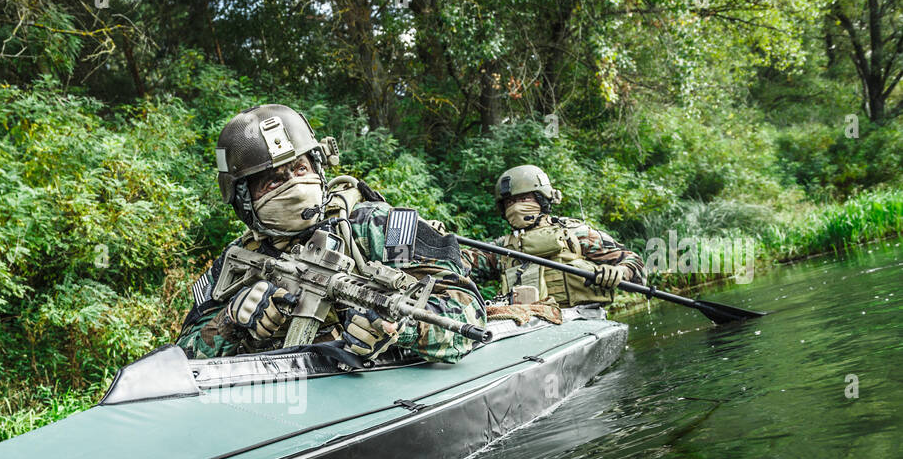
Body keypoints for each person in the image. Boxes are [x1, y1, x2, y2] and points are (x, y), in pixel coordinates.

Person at [177, 104, 487, 363]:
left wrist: (400, 329)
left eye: (300, 169)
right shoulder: (237, 259)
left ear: (319, 168)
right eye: (273, 181)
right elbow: (185, 355)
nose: (294, 185)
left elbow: (467, 311)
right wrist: (232, 320)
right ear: (244, 199)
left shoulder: (383, 226)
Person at [461, 164, 646, 307]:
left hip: (580, 317)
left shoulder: (577, 234)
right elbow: (459, 261)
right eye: (510, 202)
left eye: (524, 199)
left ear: (542, 199)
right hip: (531, 325)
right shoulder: (501, 249)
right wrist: (437, 239)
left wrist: (619, 272)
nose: (516, 207)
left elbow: (635, 263)